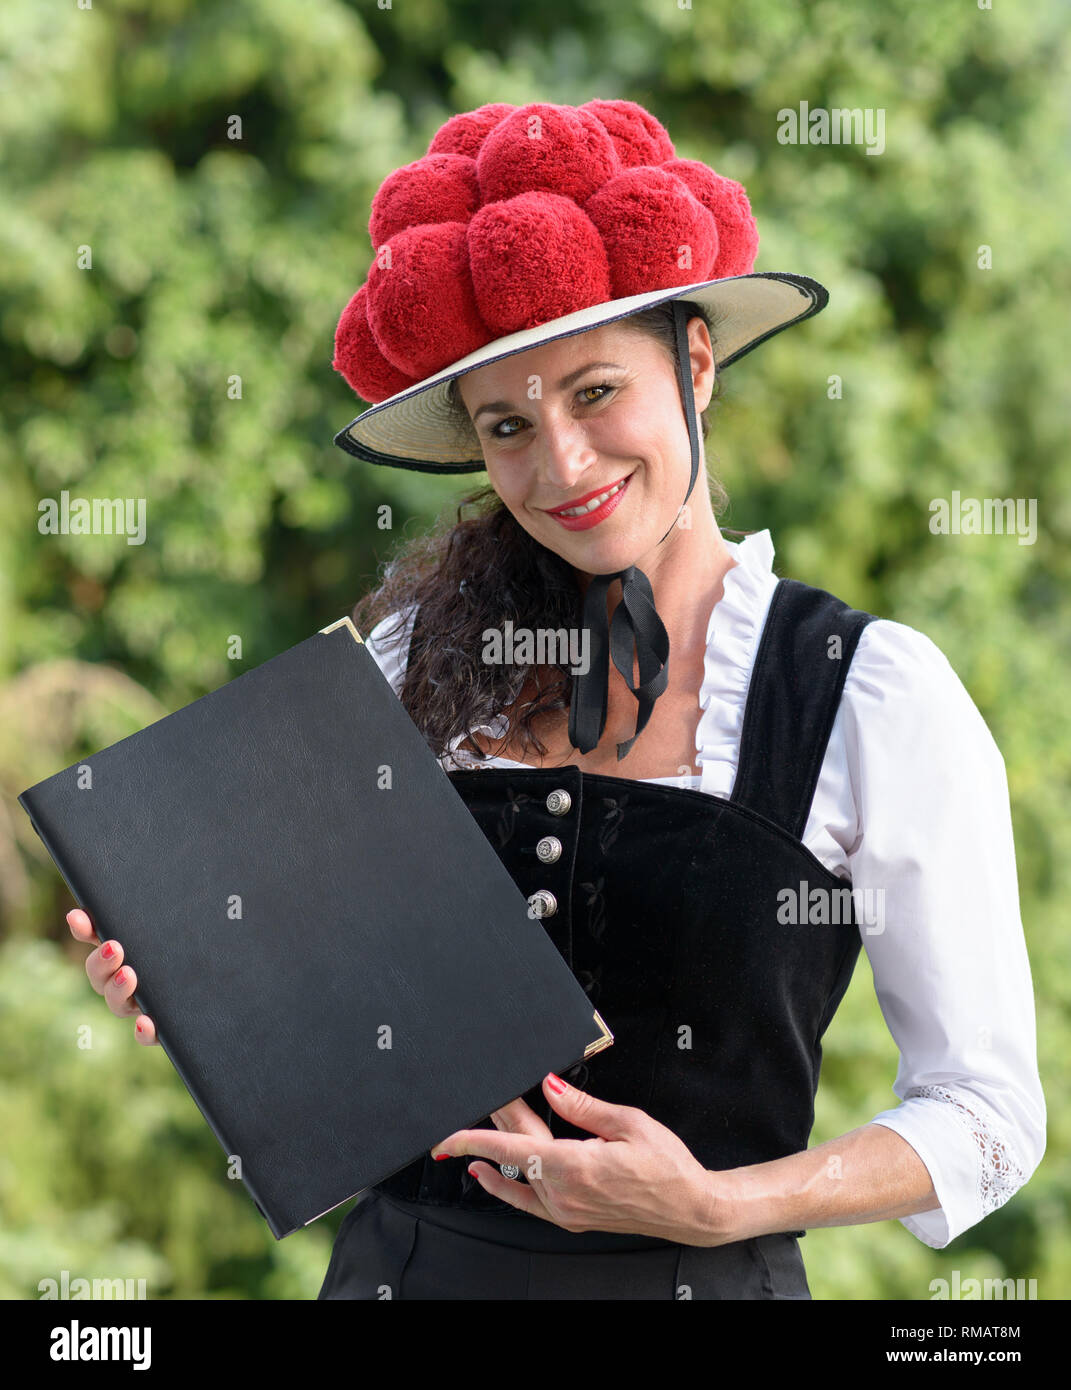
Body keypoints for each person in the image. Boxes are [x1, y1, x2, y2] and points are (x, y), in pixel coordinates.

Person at [68, 99, 1045, 1301]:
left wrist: (718, 1200)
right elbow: (345, 1035)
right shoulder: (414, 660)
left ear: (695, 365)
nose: (561, 465)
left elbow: (989, 1114)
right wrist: (201, 984)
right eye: (508, 425)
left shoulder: (869, 695)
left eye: (594, 393)